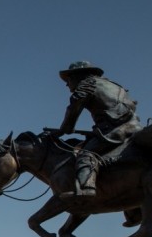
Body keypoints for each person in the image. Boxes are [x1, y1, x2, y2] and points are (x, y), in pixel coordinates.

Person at [56, 61, 141, 198]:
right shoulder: (114, 85)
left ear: (78, 76)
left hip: (116, 130)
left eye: (69, 79)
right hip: (133, 126)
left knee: (86, 154)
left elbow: (73, 110)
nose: (67, 84)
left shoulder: (86, 86)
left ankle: (85, 188)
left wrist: (63, 130)